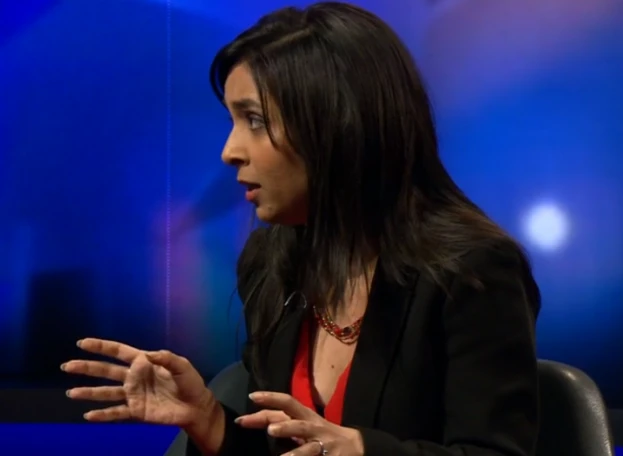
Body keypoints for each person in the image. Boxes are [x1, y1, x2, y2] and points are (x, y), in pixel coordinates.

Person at [61, 2, 541, 455]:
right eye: (232, 120)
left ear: (337, 125)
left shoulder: (473, 271)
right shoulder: (269, 261)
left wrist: (363, 450)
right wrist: (207, 419)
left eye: (254, 120)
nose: (230, 151)